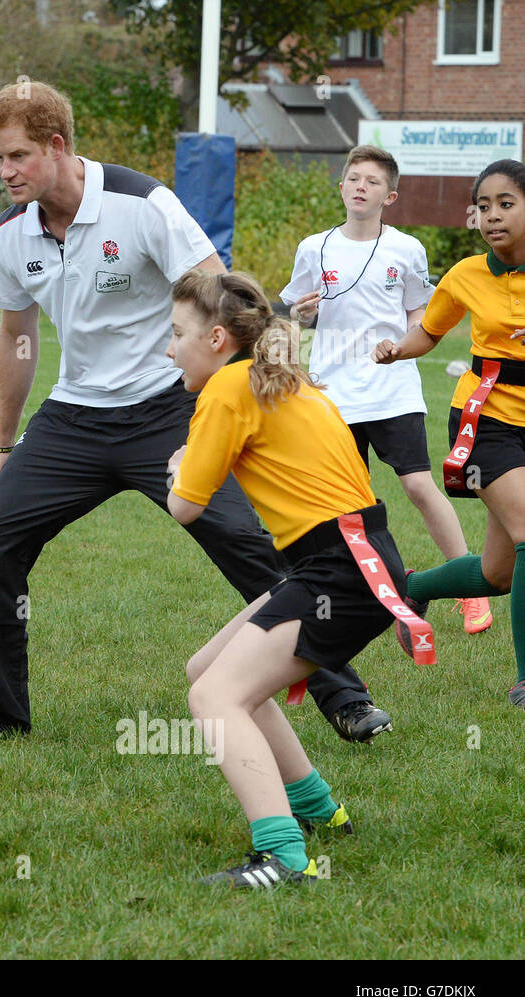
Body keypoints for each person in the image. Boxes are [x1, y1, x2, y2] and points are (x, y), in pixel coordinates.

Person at [0, 80, 390, 746]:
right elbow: (16, 336)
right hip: (73, 417)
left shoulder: (142, 203)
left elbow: (222, 293)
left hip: (168, 409)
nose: (5, 171)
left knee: (250, 545)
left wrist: (273, 380)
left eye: (17, 156)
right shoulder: (12, 234)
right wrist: (0, 445)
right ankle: (2, 712)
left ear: (57, 146)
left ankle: (344, 695)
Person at [167, 269, 427, 886]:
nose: (168, 348)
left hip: (341, 567)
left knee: (214, 697)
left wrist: (178, 463)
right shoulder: (281, 379)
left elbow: (185, 505)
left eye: (177, 333)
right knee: (207, 671)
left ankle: (282, 857)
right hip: (349, 557)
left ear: (218, 339)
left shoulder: (229, 387)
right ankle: (316, 811)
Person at [282, 145, 491, 635]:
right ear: (341, 188)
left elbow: (421, 314)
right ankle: (346, 595)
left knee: (418, 485)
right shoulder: (314, 247)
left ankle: (468, 587)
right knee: (344, 502)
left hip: (392, 386)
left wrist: (401, 343)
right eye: (353, 178)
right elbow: (295, 311)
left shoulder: (406, 248)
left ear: (390, 195)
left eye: (372, 181)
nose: (361, 186)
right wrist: (301, 316)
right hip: (331, 393)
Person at [374, 159, 525, 708]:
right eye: (483, 206)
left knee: (499, 573)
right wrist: (396, 349)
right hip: (485, 423)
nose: (491, 216)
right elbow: (429, 332)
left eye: (505, 203)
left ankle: (412, 588)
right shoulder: (465, 274)